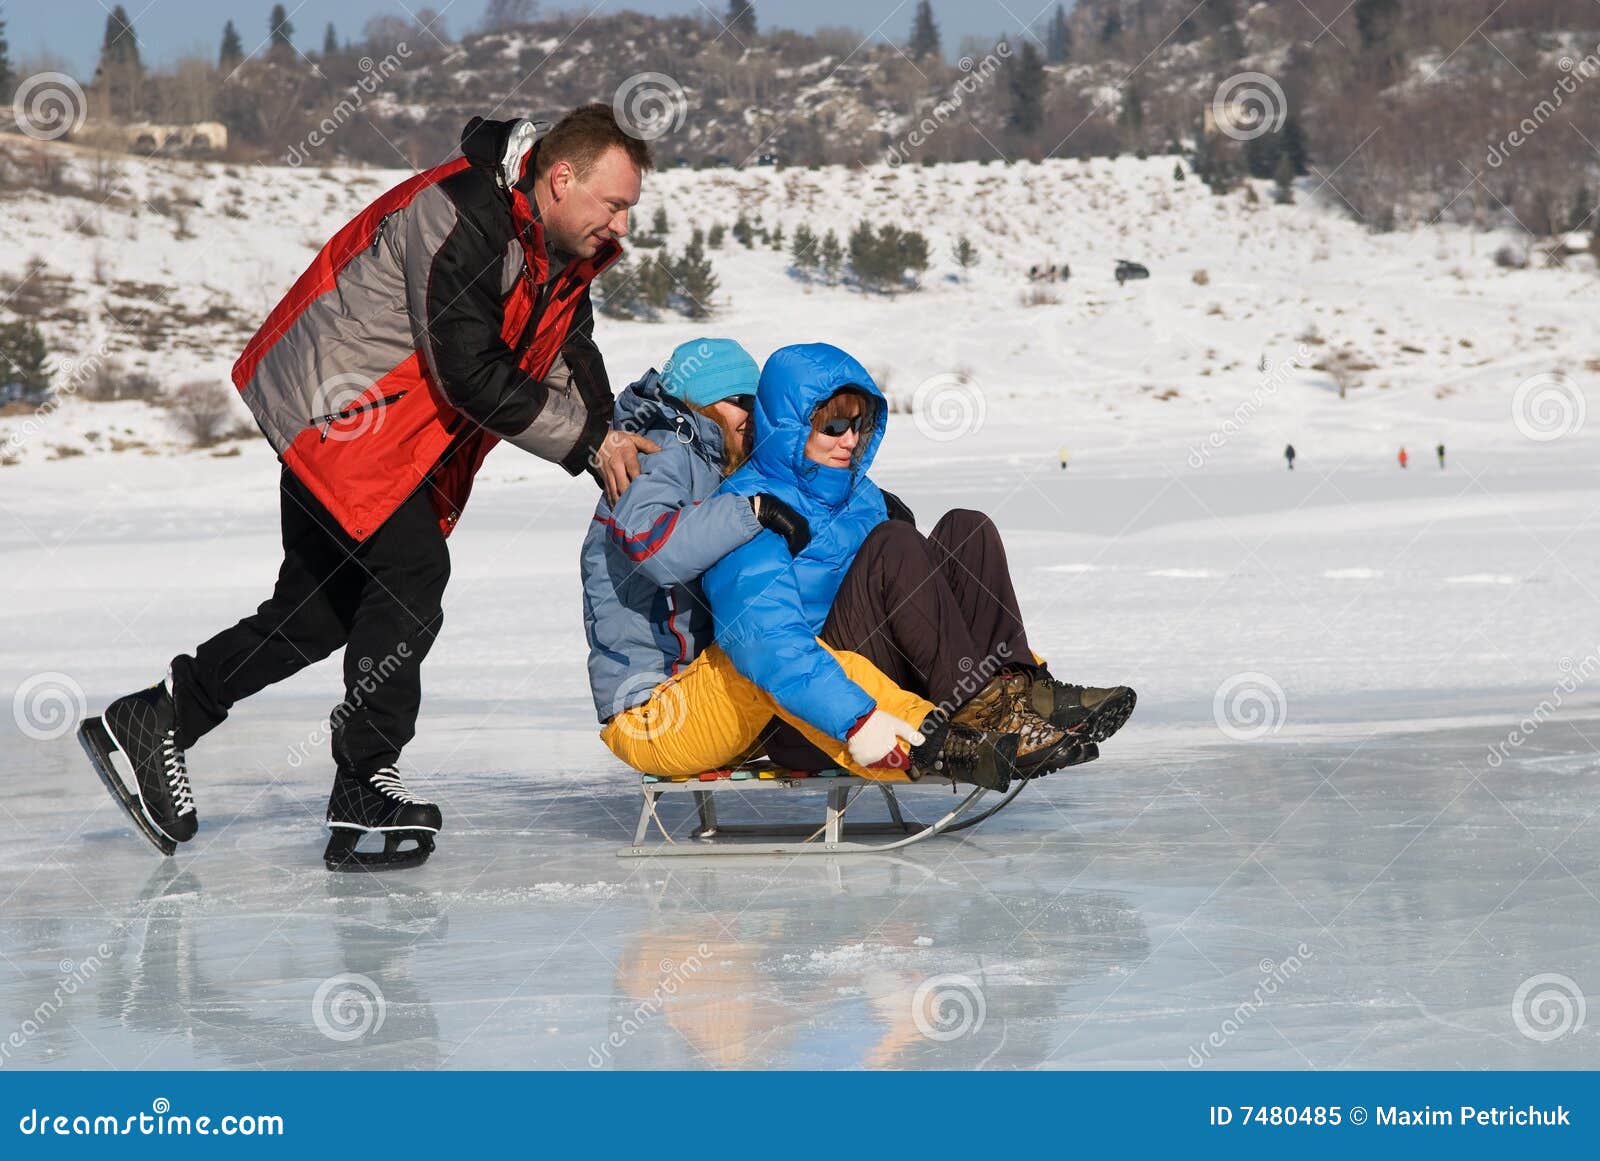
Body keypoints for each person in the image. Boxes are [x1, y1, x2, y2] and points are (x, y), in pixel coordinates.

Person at [81, 105, 659, 872]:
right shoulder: (460, 213)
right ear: (561, 178)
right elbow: (469, 368)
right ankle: (362, 782)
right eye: (614, 203)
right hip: (342, 415)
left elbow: (565, 352)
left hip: (387, 436)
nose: (620, 224)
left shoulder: (553, 249)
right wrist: (591, 444)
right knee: (414, 568)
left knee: (317, 614)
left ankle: (160, 715)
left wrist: (610, 439)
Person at [583, 339, 1021, 790]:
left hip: (705, 693)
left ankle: (1014, 692)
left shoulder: (718, 464)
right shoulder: (654, 457)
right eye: (743, 404)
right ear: (700, 403)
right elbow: (656, 551)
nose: (755, 418)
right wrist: (750, 511)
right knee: (761, 651)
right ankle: (931, 736)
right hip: (653, 709)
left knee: (779, 644)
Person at [702, 344, 1134, 785]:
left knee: (966, 529)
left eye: (857, 424)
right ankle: (982, 711)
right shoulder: (745, 509)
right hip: (814, 717)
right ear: (792, 428)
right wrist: (852, 717)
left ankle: (1020, 690)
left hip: (885, 682)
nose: (849, 440)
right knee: (895, 544)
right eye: (833, 426)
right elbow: (767, 646)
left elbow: (913, 596)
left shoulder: (859, 492)